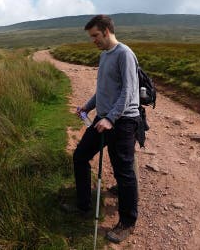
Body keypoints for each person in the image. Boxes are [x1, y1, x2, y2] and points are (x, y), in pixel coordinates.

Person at [61, 14, 141, 244]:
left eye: (95, 35)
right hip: (103, 119)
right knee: (80, 156)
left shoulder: (124, 53)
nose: (93, 40)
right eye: (91, 36)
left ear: (106, 31)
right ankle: (83, 206)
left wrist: (111, 119)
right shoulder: (105, 55)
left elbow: (128, 91)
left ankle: (127, 222)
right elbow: (103, 90)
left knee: (123, 171)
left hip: (123, 121)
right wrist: (87, 106)